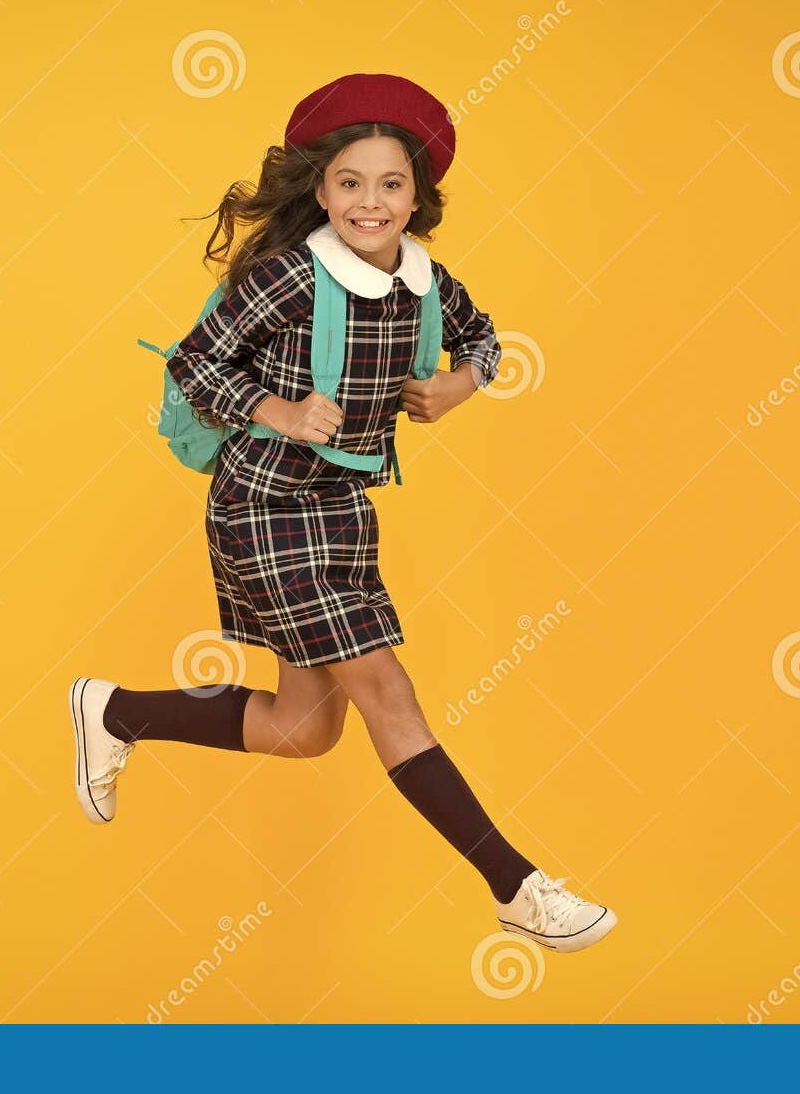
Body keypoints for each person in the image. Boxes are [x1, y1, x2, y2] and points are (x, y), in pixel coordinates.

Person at [71, 72, 615, 953]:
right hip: (262, 503)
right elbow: (194, 364)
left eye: (391, 184)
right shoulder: (291, 277)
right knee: (388, 694)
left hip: (342, 508)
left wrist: (456, 385)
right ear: (321, 190)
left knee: (304, 729)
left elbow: (487, 341)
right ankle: (517, 888)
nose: (371, 202)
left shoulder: (426, 285)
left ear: (418, 196)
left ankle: (115, 712)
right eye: (350, 183)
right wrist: (278, 411)